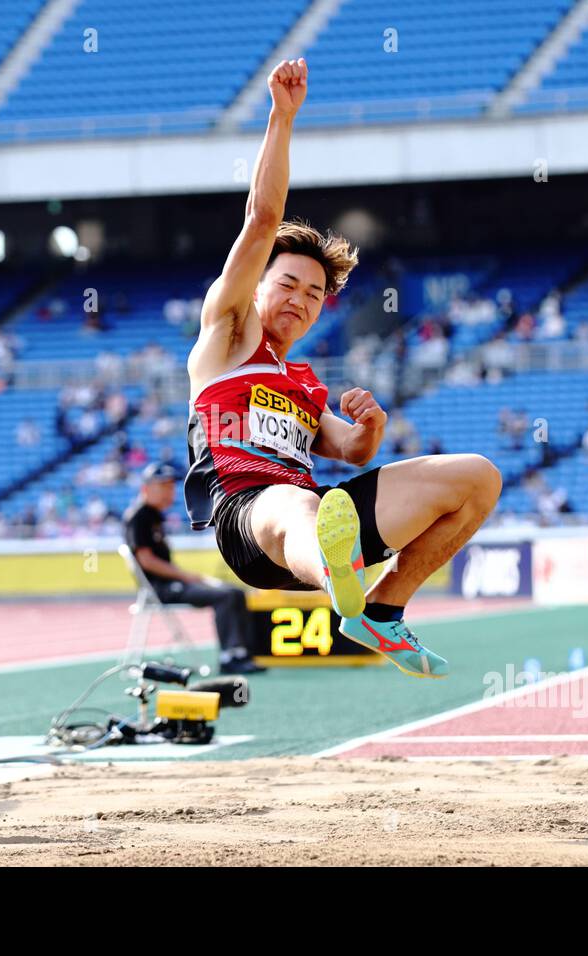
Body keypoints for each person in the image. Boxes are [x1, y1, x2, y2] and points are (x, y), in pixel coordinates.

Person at [182, 59, 502, 679]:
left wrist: (372, 427)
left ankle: (382, 609)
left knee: (477, 478)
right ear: (256, 287)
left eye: (313, 294)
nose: (300, 300)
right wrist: (282, 116)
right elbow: (262, 219)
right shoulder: (225, 337)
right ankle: (340, 576)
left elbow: (353, 452)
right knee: (296, 506)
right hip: (250, 517)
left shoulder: (303, 383)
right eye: (288, 283)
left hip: (320, 515)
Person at [124, 463, 264, 675]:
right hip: (161, 589)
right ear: (147, 488)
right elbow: (147, 561)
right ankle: (228, 657)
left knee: (236, 593)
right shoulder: (138, 517)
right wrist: (186, 577)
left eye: (171, 486)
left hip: (174, 583)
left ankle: (242, 653)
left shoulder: (153, 515)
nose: (170, 491)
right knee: (224, 597)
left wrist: (187, 577)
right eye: (164, 486)